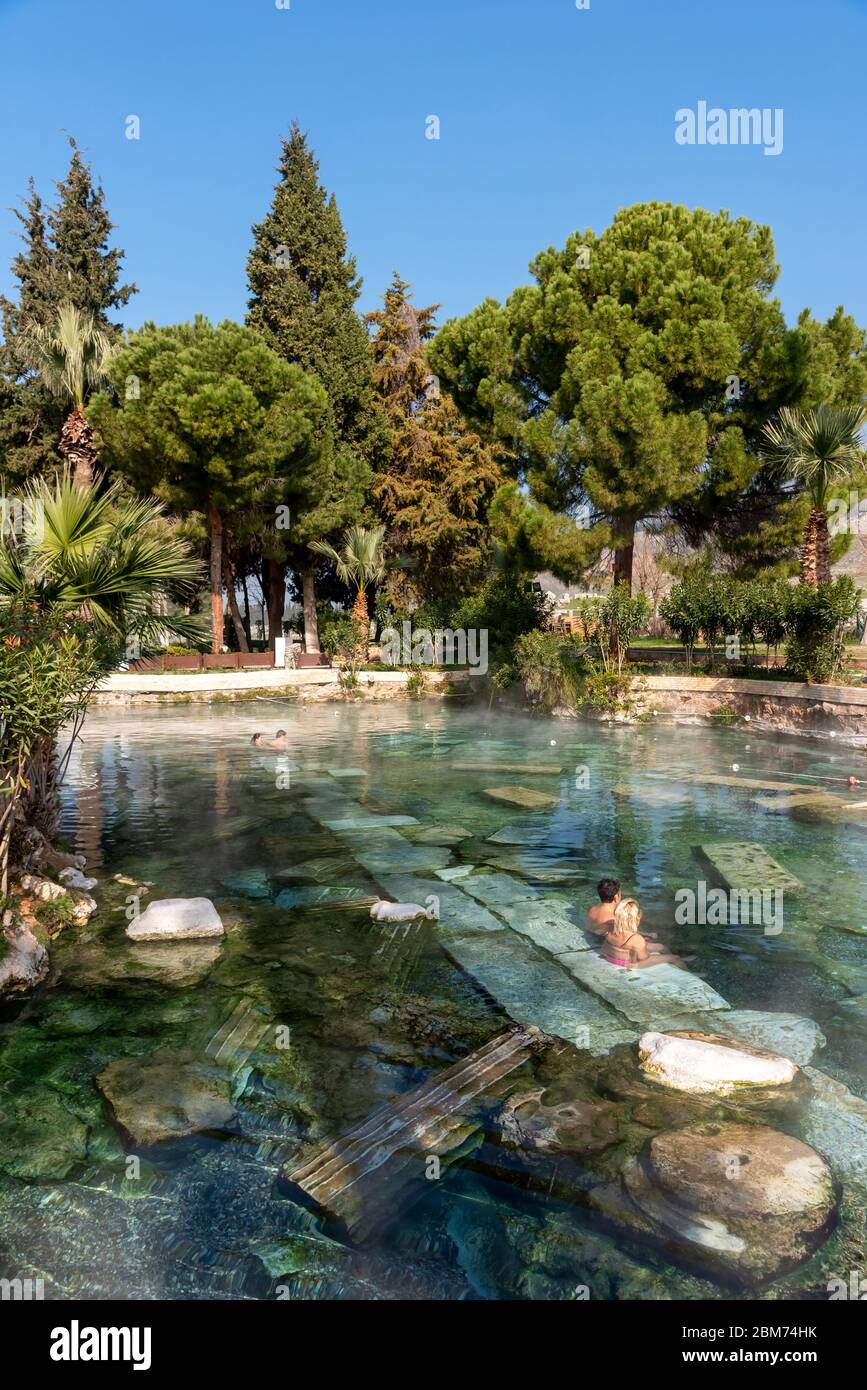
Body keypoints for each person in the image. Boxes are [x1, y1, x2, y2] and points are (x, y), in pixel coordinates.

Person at [600, 898, 682, 969]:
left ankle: (671, 959)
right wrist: (643, 947)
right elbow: (644, 958)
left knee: (661, 947)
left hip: (614, 958)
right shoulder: (636, 939)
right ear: (636, 918)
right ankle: (686, 970)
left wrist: (643, 942)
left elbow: (607, 947)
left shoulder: (611, 929)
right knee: (675, 958)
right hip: (632, 964)